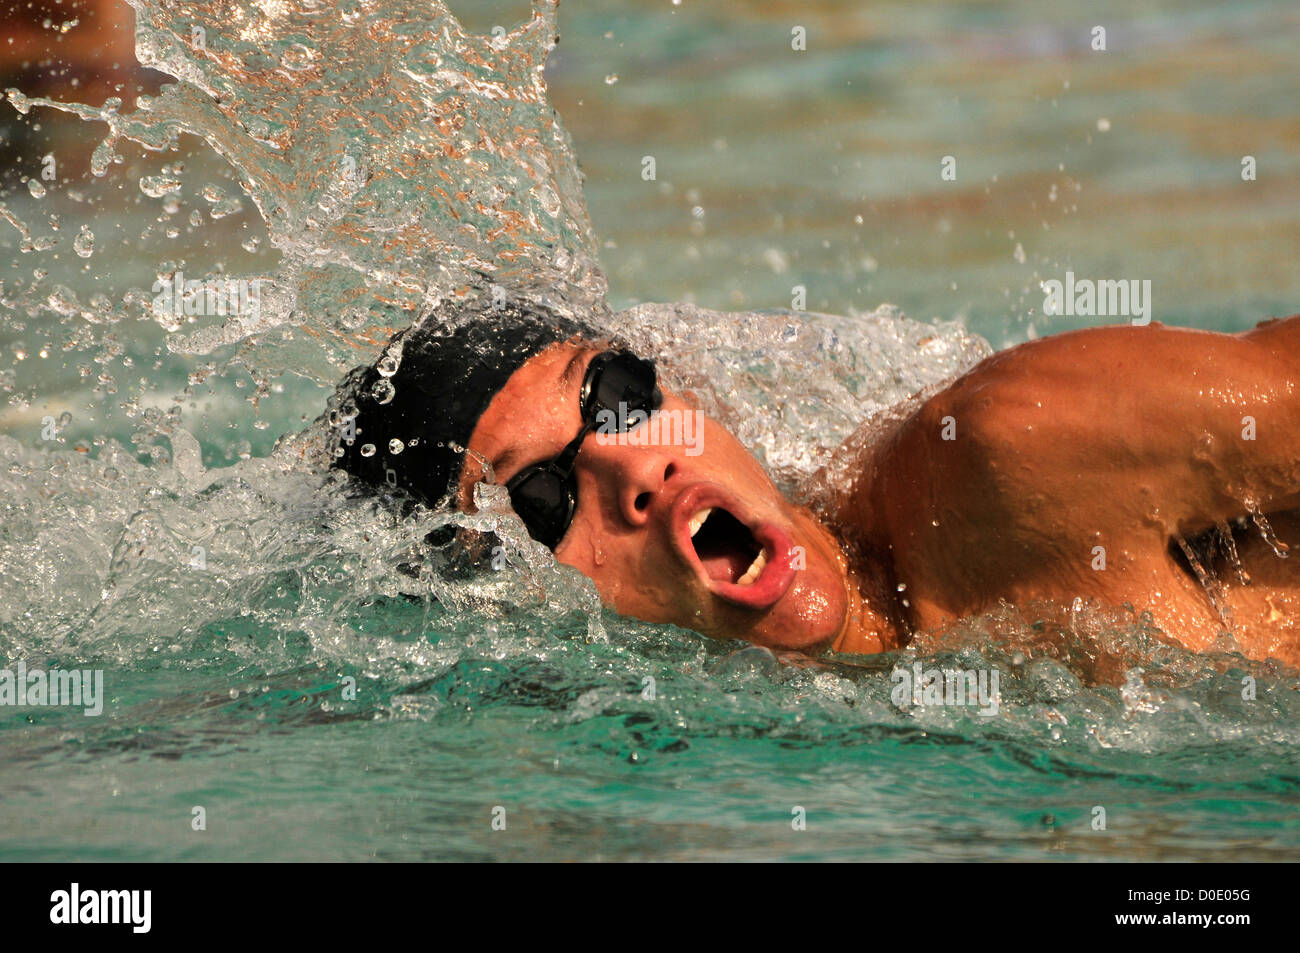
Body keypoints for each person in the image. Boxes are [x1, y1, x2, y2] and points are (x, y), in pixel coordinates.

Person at [332, 302, 1300, 665]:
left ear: (690, 391)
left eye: (619, 394)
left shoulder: (1011, 452)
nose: (635, 465)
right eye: (540, 498)